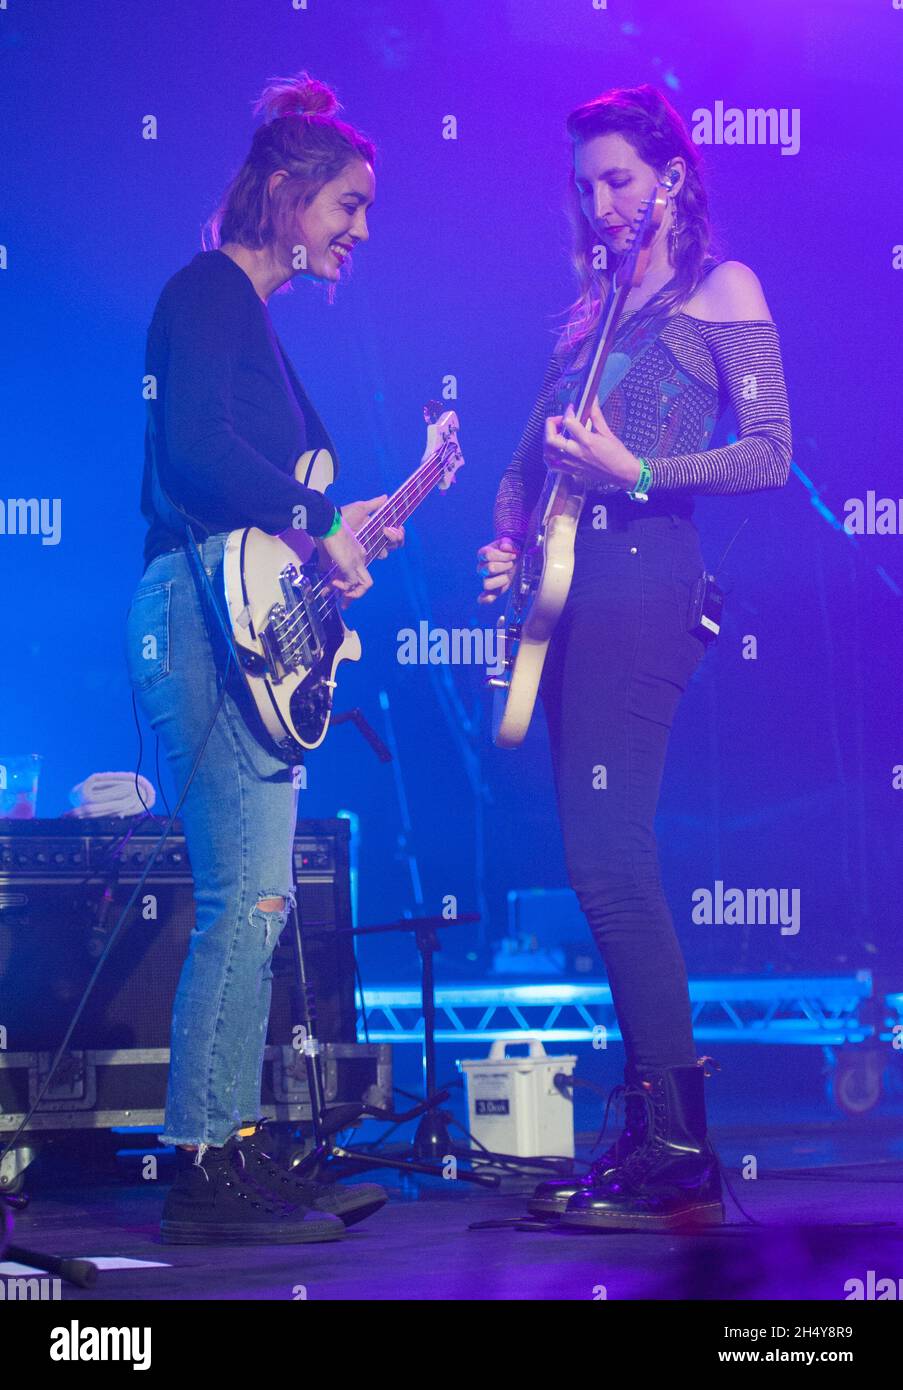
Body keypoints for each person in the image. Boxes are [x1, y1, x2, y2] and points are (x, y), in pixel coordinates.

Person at [478, 85, 792, 1231]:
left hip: (651, 581)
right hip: (568, 595)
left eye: (617, 178)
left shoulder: (722, 292)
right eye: (583, 185)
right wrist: (507, 538)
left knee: (613, 857)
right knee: (593, 862)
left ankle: (678, 1144)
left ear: (670, 176)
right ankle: (649, 1124)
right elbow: (522, 461)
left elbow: (768, 452)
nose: (599, 202)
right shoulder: (591, 312)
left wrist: (642, 472)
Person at [127, 72, 401, 1245]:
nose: (361, 231)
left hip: (236, 621)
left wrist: (344, 532)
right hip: (189, 613)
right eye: (349, 203)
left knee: (260, 897)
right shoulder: (204, 292)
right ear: (289, 195)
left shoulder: (260, 327)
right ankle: (202, 1162)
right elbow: (195, 455)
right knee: (243, 896)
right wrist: (317, 517)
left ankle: (233, 1142)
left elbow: (287, 505)